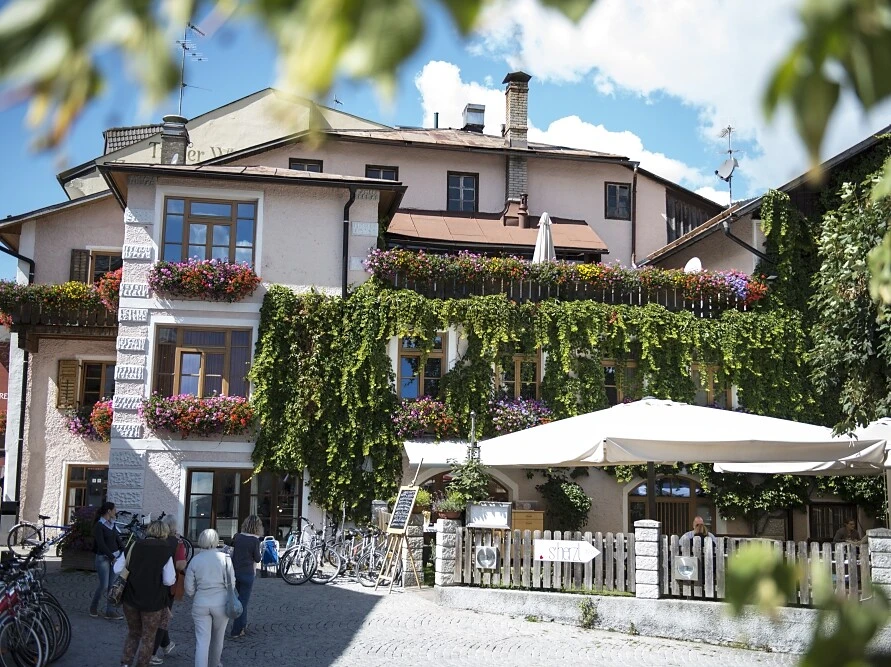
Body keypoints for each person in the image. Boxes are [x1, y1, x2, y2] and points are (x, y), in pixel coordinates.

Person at [118, 520, 177, 667]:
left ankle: (125, 664)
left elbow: (117, 568)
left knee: (133, 633)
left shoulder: (134, 545)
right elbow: (169, 580)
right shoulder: (166, 550)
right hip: (153, 601)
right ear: (164, 532)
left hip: (130, 598)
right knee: (148, 637)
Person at [186, 529, 235, 667]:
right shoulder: (225, 559)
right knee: (218, 638)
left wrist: (195, 594)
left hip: (201, 602)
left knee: (202, 640)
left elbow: (189, 588)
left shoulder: (195, 560)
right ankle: (215, 663)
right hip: (221, 602)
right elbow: (232, 582)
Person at [150, 514, 188, 665]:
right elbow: (180, 564)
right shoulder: (177, 542)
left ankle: (165, 644)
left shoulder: (156, 541)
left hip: (152, 582)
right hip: (168, 584)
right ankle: (152, 653)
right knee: (163, 617)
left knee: (161, 615)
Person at [230, 515, 262, 639]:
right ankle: (236, 630)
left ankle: (242, 625)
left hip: (235, 572)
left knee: (241, 599)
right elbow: (258, 559)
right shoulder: (254, 541)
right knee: (243, 601)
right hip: (247, 574)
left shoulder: (237, 536)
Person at [91, 501, 124, 620]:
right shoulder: (99, 525)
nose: (116, 511)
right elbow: (101, 545)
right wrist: (112, 557)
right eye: (114, 509)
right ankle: (93, 607)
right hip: (103, 559)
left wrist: (124, 551)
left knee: (112, 585)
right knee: (104, 585)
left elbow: (117, 539)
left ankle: (109, 611)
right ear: (109, 511)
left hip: (114, 558)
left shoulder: (112, 524)